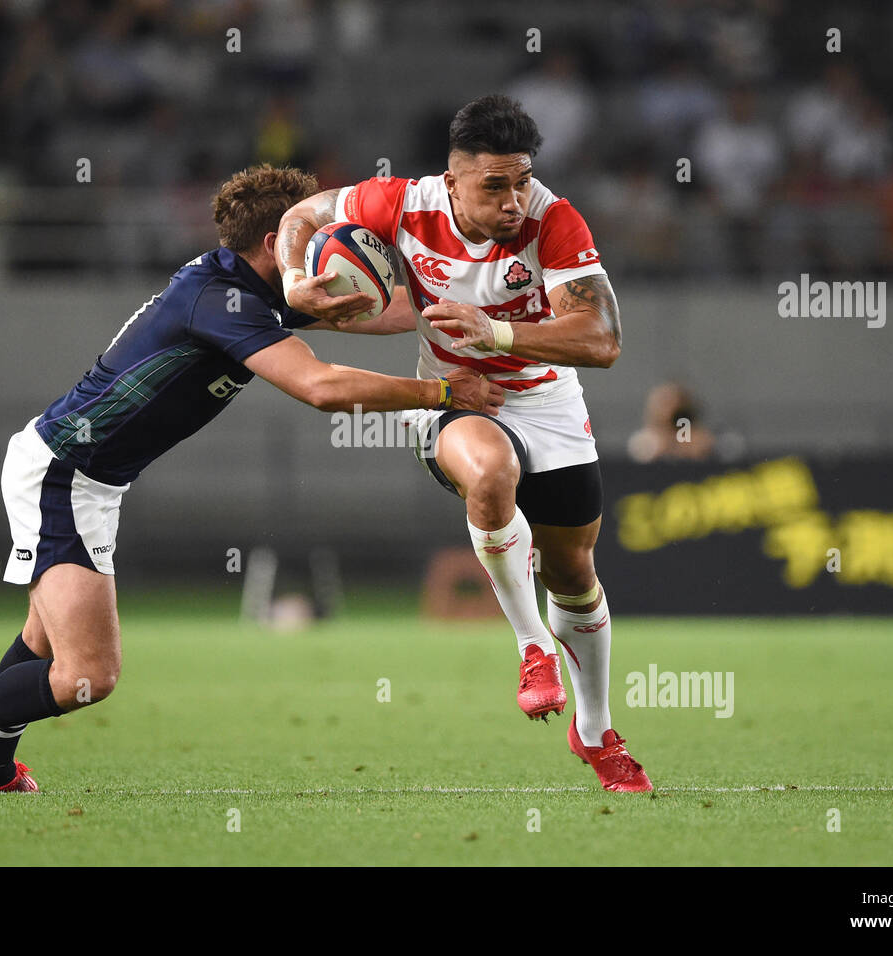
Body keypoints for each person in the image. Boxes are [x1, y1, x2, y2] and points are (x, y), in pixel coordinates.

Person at [0, 164, 502, 796]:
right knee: (90, 673)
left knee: (43, 640)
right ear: (278, 241)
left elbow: (382, 310)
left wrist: (487, 308)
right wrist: (440, 390)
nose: (326, 235)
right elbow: (321, 388)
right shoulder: (222, 300)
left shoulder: (254, 290)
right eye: (313, 226)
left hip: (91, 479)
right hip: (62, 474)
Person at [276, 95, 652, 792]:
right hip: (456, 398)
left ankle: (596, 731)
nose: (514, 200)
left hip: (548, 403)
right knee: (490, 473)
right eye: (495, 186)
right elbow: (301, 216)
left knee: (574, 575)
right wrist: (298, 280)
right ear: (452, 181)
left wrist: (499, 332)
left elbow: (602, 340)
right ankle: (532, 644)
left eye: (521, 181)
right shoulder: (399, 203)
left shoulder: (553, 220)